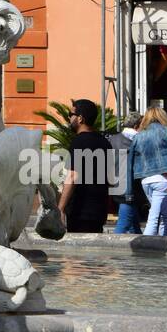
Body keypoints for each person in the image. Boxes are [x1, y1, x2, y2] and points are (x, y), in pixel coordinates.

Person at [58, 98, 115, 233]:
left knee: (77, 252)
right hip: (99, 210)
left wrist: (60, 208)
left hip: (80, 210)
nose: (69, 118)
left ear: (80, 118)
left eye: (71, 115)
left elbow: (72, 176)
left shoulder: (78, 142)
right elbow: (111, 179)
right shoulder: (105, 143)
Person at [127, 106, 167, 238]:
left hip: (144, 180)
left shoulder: (138, 136)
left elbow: (129, 164)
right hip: (162, 179)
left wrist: (129, 192)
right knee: (154, 217)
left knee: (161, 214)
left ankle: (160, 244)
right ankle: (145, 248)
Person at [111, 110, 142, 233]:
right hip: (130, 188)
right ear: (136, 126)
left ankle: (141, 246)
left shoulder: (113, 140)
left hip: (116, 185)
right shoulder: (138, 140)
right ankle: (111, 249)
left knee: (134, 224)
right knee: (123, 225)